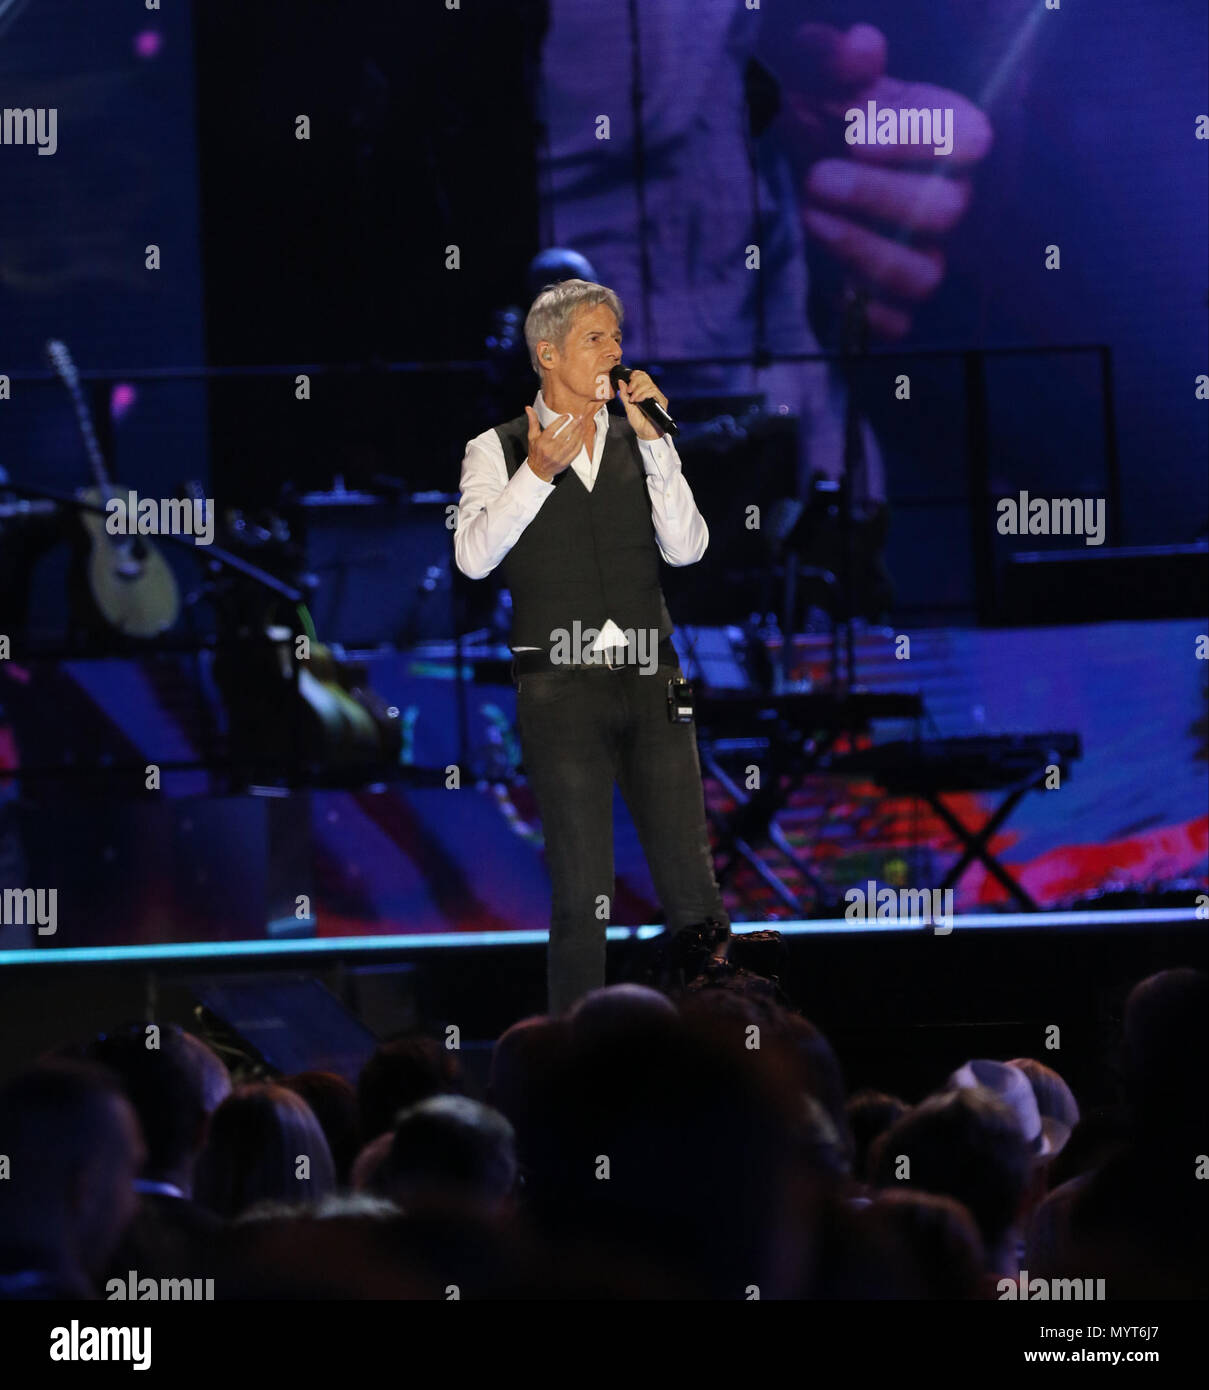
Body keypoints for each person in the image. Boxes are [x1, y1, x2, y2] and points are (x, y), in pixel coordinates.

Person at [455, 278, 728, 1014]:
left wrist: (657, 444)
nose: (614, 351)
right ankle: (574, 1060)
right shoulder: (496, 449)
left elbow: (688, 549)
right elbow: (473, 557)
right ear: (547, 354)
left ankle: (727, 1045)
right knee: (584, 896)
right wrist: (536, 474)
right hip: (560, 687)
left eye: (616, 337)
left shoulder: (642, 437)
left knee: (693, 889)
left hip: (650, 676)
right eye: (595, 339)